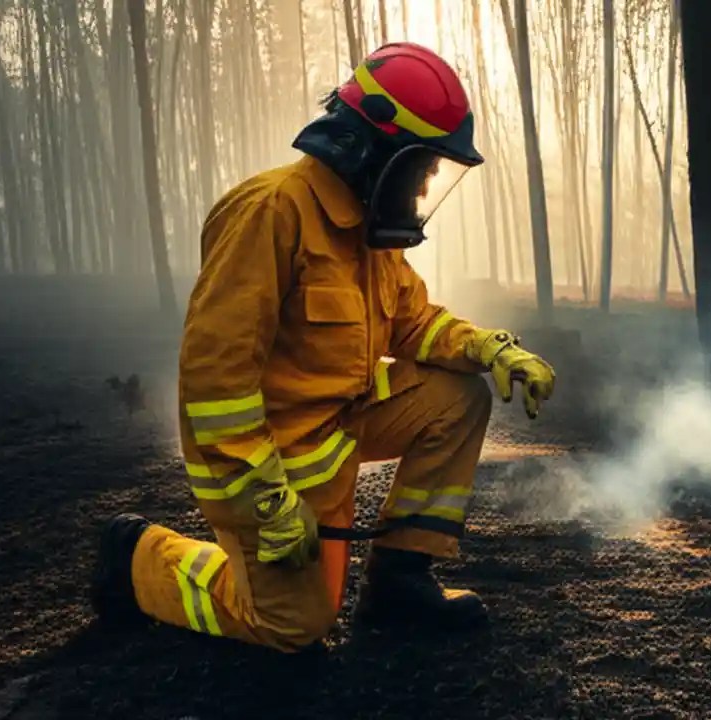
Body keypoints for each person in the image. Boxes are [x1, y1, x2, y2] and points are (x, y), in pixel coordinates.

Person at [88, 43, 556, 652]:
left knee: (458, 397)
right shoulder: (269, 214)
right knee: (293, 627)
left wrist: (489, 348)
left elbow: (414, 323)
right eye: (422, 171)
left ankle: (399, 582)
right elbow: (213, 385)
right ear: (375, 151)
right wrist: (268, 503)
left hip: (334, 432)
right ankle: (139, 560)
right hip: (264, 468)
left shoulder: (370, 231)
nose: (421, 192)